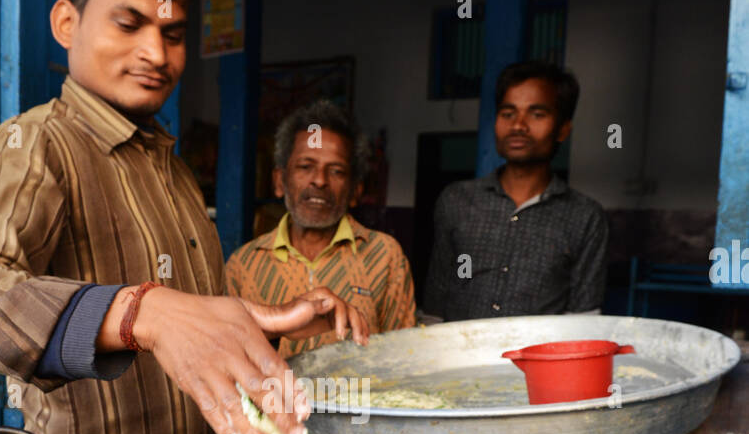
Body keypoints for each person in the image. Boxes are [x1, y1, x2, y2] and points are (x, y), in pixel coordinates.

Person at [0, 0, 367, 434]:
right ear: (67, 23)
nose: (155, 53)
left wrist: (267, 318)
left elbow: (186, 322)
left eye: (173, 33)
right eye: (128, 24)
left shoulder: (174, 170)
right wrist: (144, 313)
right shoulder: (36, 144)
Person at [226, 100, 416, 358]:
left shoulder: (385, 256)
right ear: (279, 181)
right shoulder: (243, 264)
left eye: (336, 171)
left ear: (355, 190)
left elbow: (403, 356)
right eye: (305, 167)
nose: (319, 180)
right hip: (272, 399)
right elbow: (227, 354)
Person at [423, 61, 609, 322]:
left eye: (537, 114)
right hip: (460, 359)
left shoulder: (585, 217)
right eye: (508, 113)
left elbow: (584, 318)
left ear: (563, 129)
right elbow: (435, 301)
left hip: (537, 363)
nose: (518, 125)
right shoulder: (456, 200)